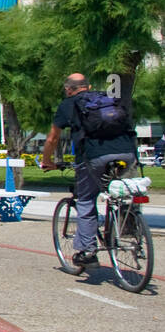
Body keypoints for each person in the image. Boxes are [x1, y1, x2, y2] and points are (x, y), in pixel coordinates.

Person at [40, 72, 138, 269]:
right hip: (127, 152)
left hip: (95, 156)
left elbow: (52, 138)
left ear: (68, 89)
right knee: (125, 193)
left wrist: (47, 160)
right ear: (89, 86)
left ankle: (88, 251)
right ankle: (133, 230)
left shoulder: (68, 104)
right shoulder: (108, 99)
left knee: (86, 199)